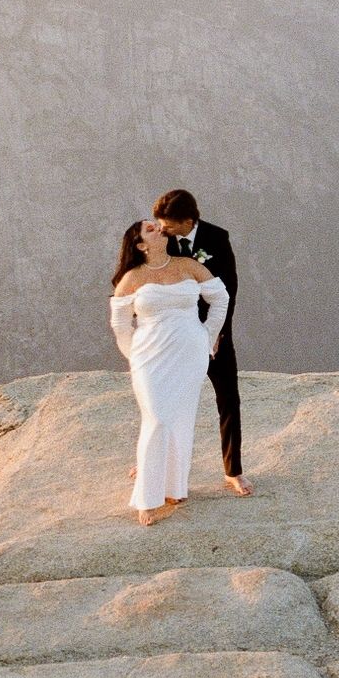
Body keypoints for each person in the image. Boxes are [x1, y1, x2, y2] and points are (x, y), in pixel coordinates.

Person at [109, 219, 229, 526]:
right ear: (140, 245)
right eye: (150, 229)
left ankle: (175, 487)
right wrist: (132, 353)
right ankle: (147, 499)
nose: (159, 228)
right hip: (150, 356)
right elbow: (120, 323)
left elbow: (220, 297)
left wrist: (208, 335)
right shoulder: (132, 277)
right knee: (157, 417)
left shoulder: (188, 265)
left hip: (189, 353)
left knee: (180, 418)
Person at [152, 188, 254, 496]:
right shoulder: (160, 239)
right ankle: (152, 462)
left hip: (214, 333)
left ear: (188, 220)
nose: (161, 228)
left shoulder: (217, 238)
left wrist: (216, 333)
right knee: (162, 400)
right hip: (173, 332)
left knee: (228, 400)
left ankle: (233, 470)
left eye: (167, 224)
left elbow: (229, 288)